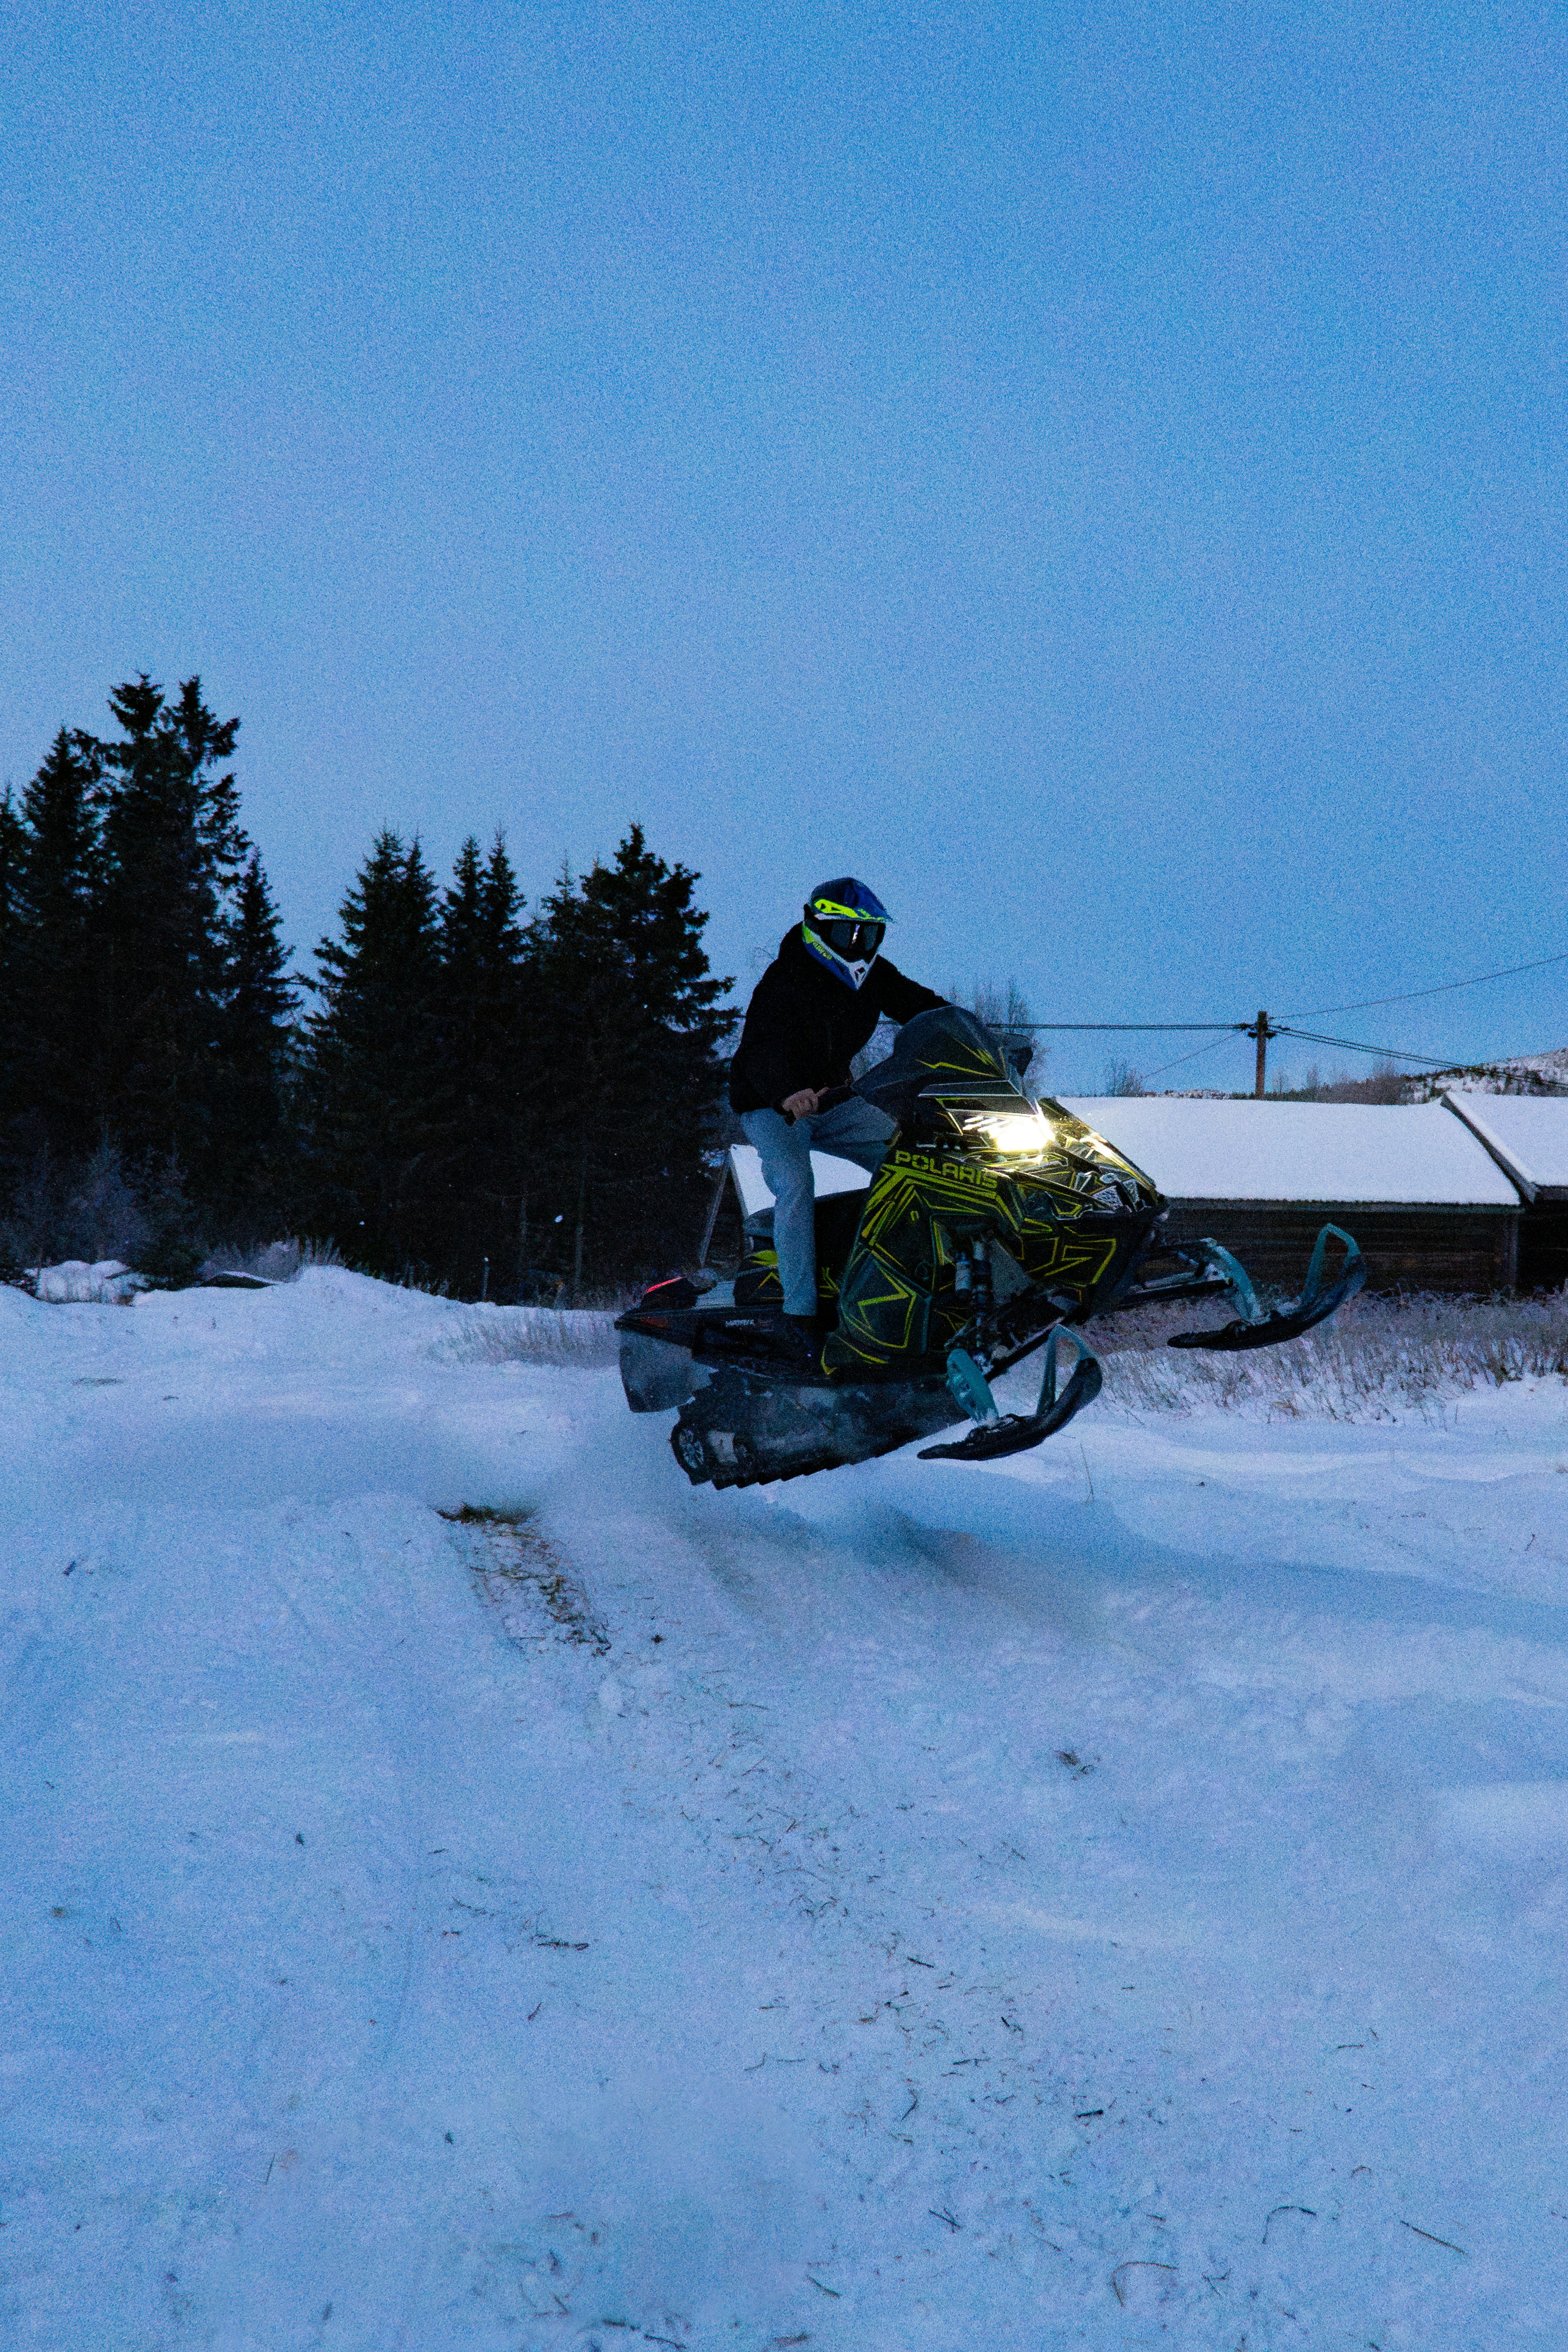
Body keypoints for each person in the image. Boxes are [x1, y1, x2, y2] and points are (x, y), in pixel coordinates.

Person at [728, 879, 947, 1357]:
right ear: (819, 927)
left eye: (868, 935)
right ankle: (799, 1313)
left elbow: (921, 1006)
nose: (859, 946)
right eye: (849, 934)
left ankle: (901, 1282)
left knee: (911, 1161)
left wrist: (973, 1036)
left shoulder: (872, 975)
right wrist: (788, 1093)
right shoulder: (785, 980)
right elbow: (761, 1050)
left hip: (834, 1100)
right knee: (795, 1182)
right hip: (773, 1106)